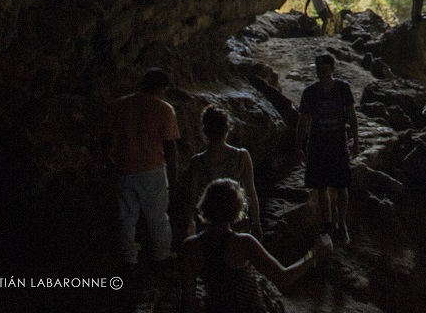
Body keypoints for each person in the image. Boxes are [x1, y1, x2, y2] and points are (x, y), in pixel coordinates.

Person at [180, 178, 333, 313]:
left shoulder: (190, 246)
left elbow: (188, 302)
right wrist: (314, 253)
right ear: (236, 209)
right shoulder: (243, 243)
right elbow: (283, 277)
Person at [108, 66, 181, 269]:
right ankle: (161, 255)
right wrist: (174, 175)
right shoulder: (164, 109)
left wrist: (107, 159)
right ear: (161, 87)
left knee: (126, 217)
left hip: (124, 168)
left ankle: (129, 259)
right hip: (152, 169)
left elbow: (108, 136)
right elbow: (170, 145)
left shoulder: (120, 105)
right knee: (157, 217)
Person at [296, 53, 360, 242]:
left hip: (338, 143)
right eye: (318, 69)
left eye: (324, 69)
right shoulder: (310, 92)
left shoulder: (343, 89)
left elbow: (352, 115)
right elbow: (303, 120)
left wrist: (356, 141)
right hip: (318, 144)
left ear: (332, 69)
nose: (321, 72)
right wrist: (299, 146)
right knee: (322, 186)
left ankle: (341, 222)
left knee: (341, 185)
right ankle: (329, 223)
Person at [186, 106, 262, 238]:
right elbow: (251, 192)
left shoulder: (197, 161)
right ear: (227, 129)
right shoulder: (241, 156)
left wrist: (189, 222)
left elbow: (192, 197)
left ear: (205, 131)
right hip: (235, 220)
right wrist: (256, 223)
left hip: (208, 223)